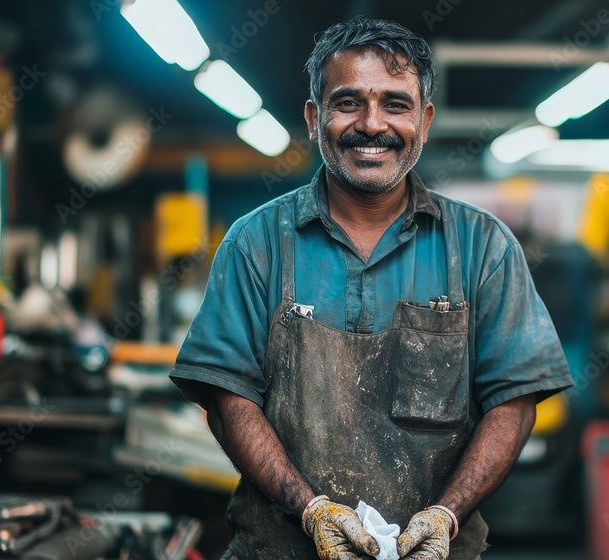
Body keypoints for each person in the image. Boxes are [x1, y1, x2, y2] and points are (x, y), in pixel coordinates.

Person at [170, 16, 574, 560]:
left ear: (424, 121)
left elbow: (514, 403)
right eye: (347, 103)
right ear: (314, 119)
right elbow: (227, 397)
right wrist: (310, 509)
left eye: (396, 104)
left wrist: (446, 515)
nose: (371, 123)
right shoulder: (256, 243)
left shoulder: (484, 247)